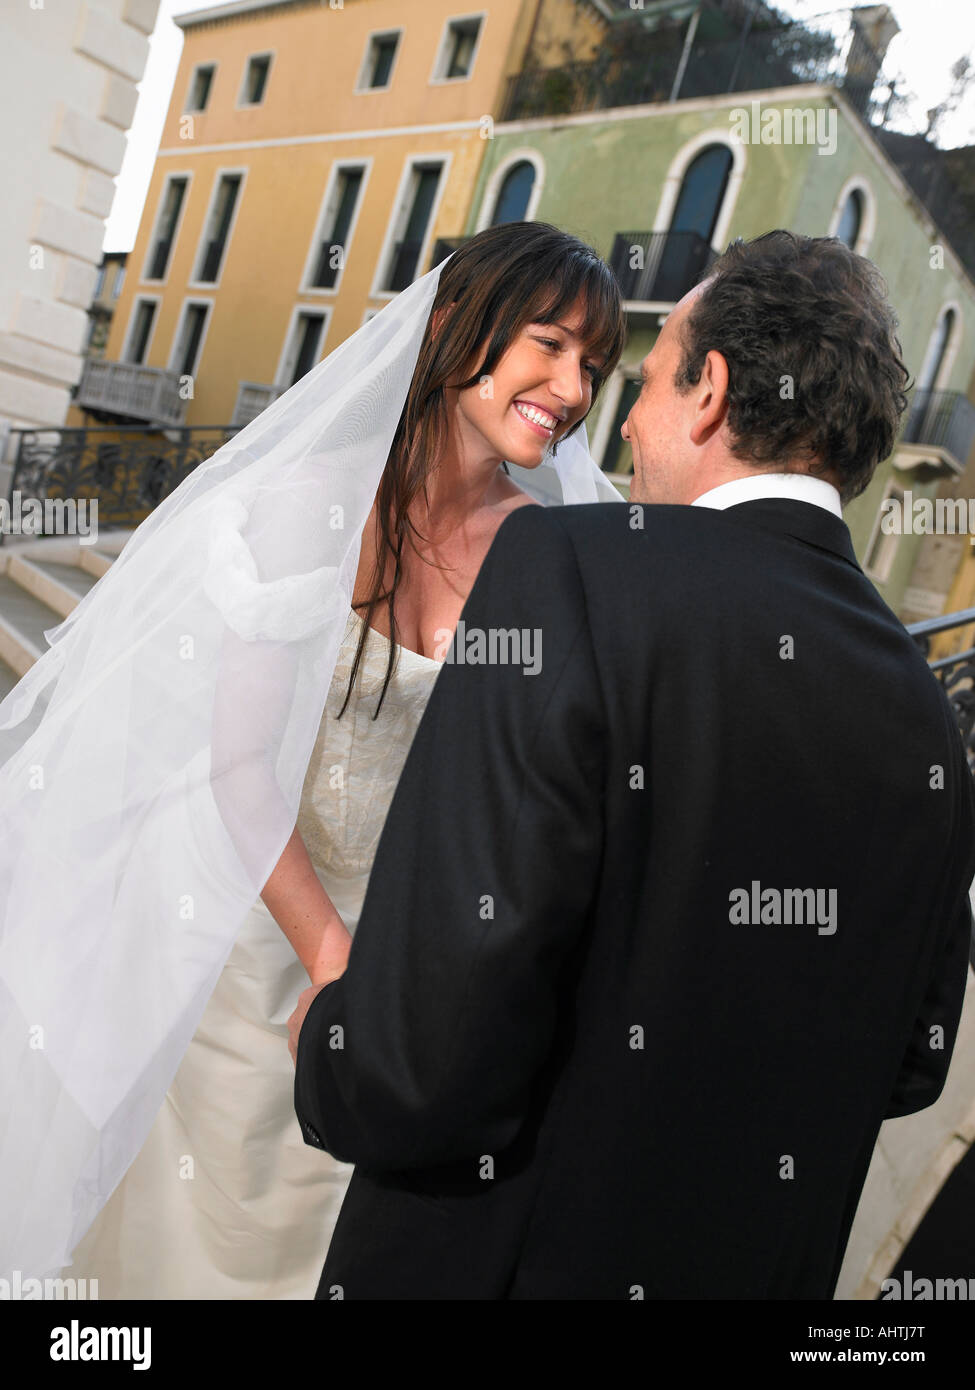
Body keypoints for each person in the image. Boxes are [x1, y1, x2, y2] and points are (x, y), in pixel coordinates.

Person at [292, 230, 975, 1299]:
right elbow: (913, 1055)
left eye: (647, 384)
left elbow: (434, 1034)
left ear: (710, 392)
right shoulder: (929, 717)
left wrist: (335, 1049)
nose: (623, 428)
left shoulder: (568, 569)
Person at [0, 223, 624, 1296]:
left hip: (403, 948)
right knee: (196, 1231)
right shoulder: (313, 506)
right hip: (250, 913)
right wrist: (338, 961)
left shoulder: (546, 551)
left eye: (595, 367)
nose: (571, 388)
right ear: (456, 328)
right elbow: (239, 764)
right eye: (550, 345)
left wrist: (406, 979)